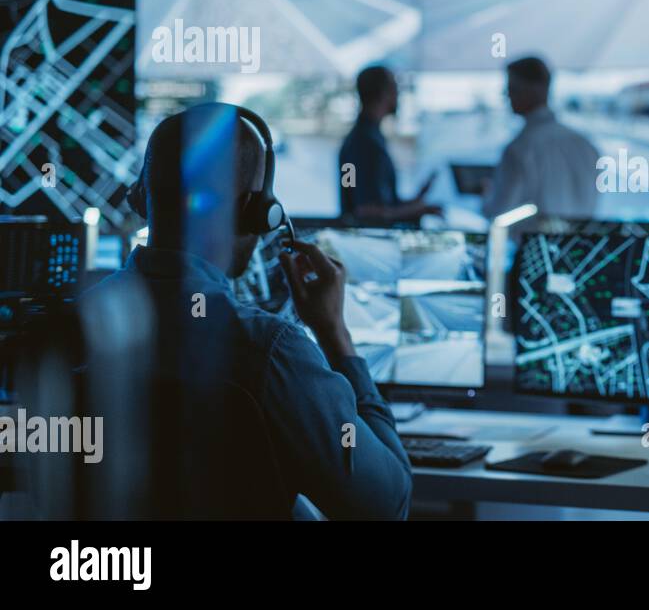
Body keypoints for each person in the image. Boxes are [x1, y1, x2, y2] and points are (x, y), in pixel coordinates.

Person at [84, 103, 412, 520]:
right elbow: (388, 505)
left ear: (142, 197)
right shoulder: (271, 352)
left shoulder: (72, 325)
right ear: (254, 211)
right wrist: (335, 335)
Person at [480, 56, 600, 221]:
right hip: (580, 244)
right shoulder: (586, 145)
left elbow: (498, 212)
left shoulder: (520, 149)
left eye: (511, 89)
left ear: (533, 90)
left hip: (532, 245)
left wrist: (488, 194)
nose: (507, 96)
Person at [339, 65, 440, 222]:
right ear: (382, 94)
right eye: (395, 88)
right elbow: (365, 211)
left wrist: (415, 202)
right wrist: (417, 210)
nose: (398, 94)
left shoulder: (365, 138)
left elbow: (374, 202)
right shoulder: (364, 144)